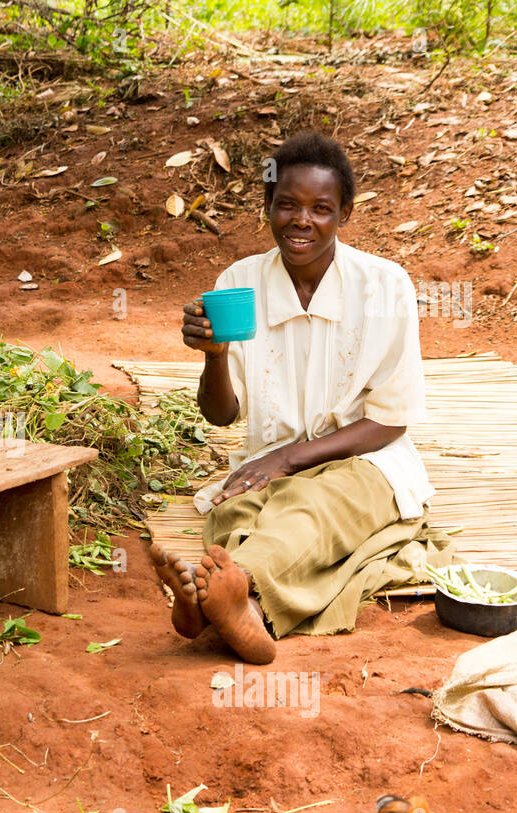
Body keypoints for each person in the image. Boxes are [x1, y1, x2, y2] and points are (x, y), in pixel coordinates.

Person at [151, 131, 454, 665]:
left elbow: (391, 422)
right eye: (286, 205)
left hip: (365, 460)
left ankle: (233, 593)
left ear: (345, 214)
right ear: (267, 207)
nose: (301, 221)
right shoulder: (239, 282)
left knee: (310, 510)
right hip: (264, 463)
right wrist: (214, 356)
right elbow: (221, 414)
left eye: (321, 208)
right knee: (235, 516)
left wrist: (287, 459)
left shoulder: (384, 286)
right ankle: (232, 610)